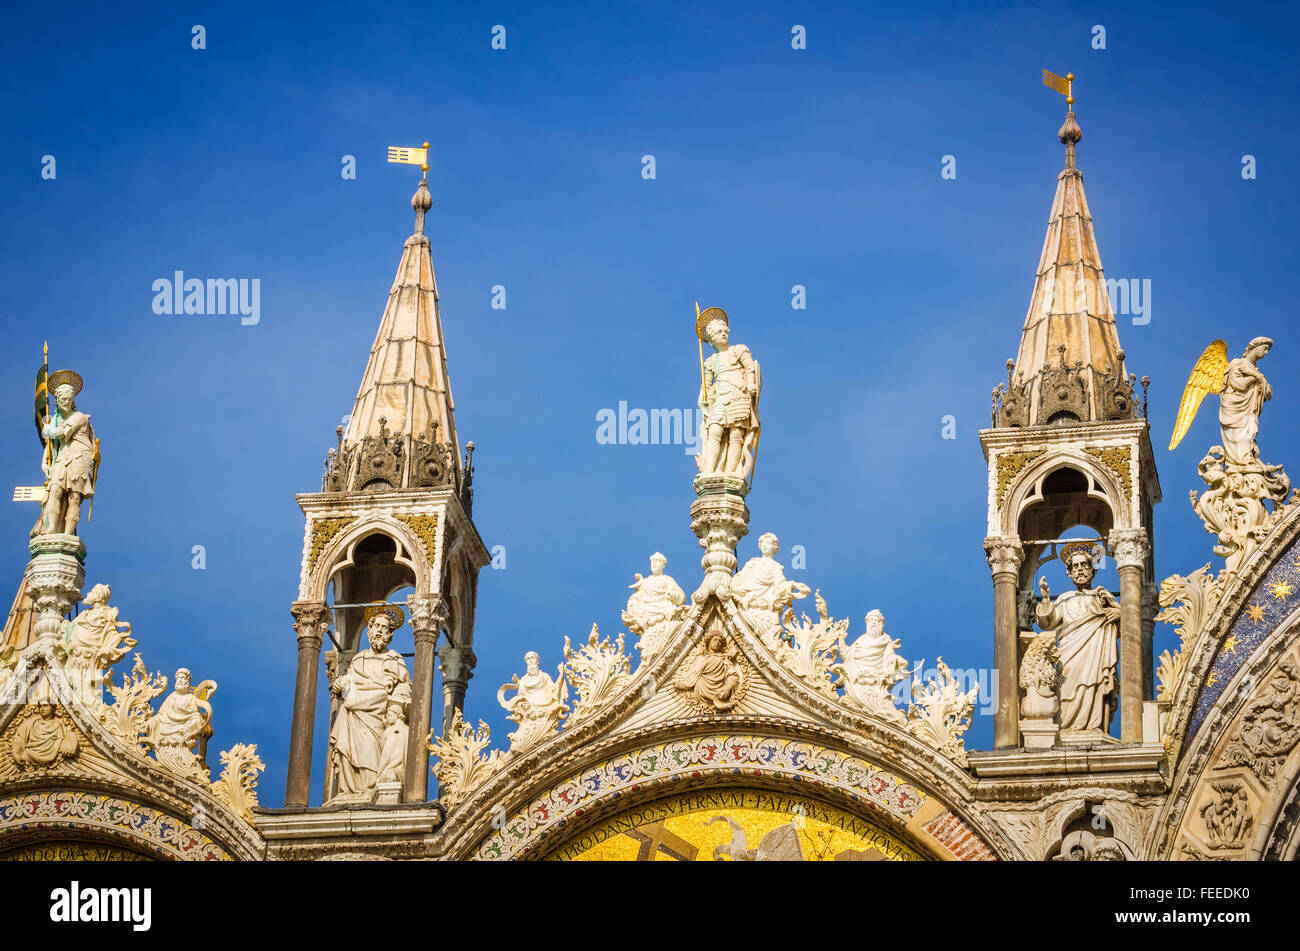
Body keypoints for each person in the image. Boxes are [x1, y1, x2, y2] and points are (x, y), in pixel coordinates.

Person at [1037, 546, 1121, 733]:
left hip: (1096, 654)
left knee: (1095, 684)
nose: (1080, 570)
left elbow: (1126, 625)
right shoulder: (1065, 599)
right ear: (1069, 573)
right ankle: (1066, 727)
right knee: (1067, 689)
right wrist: (1045, 600)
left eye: (1084, 565)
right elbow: (1047, 622)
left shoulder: (1102, 597)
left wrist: (1117, 613)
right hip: (1069, 656)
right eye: (1075, 567)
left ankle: (1093, 725)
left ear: (1093, 569)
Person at [329, 610, 412, 798]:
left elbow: (405, 689)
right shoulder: (359, 659)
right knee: (351, 753)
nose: (380, 631)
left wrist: (393, 703)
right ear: (369, 630)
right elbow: (348, 681)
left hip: (378, 715)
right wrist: (340, 683)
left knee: (372, 757)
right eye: (377, 626)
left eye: (384, 628)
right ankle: (351, 790)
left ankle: (370, 789)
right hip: (355, 716)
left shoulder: (395, 658)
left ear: (390, 635)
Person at [32, 372, 96, 538]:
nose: (66, 403)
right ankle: (52, 529)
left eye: (69, 400)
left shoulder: (80, 417)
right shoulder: (55, 420)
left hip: (79, 457)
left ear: (73, 400)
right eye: (63, 400)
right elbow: (52, 445)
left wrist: (47, 430)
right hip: (62, 457)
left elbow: (60, 434)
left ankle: (68, 534)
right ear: (57, 401)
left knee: (74, 498)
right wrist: (43, 462)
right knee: (55, 491)